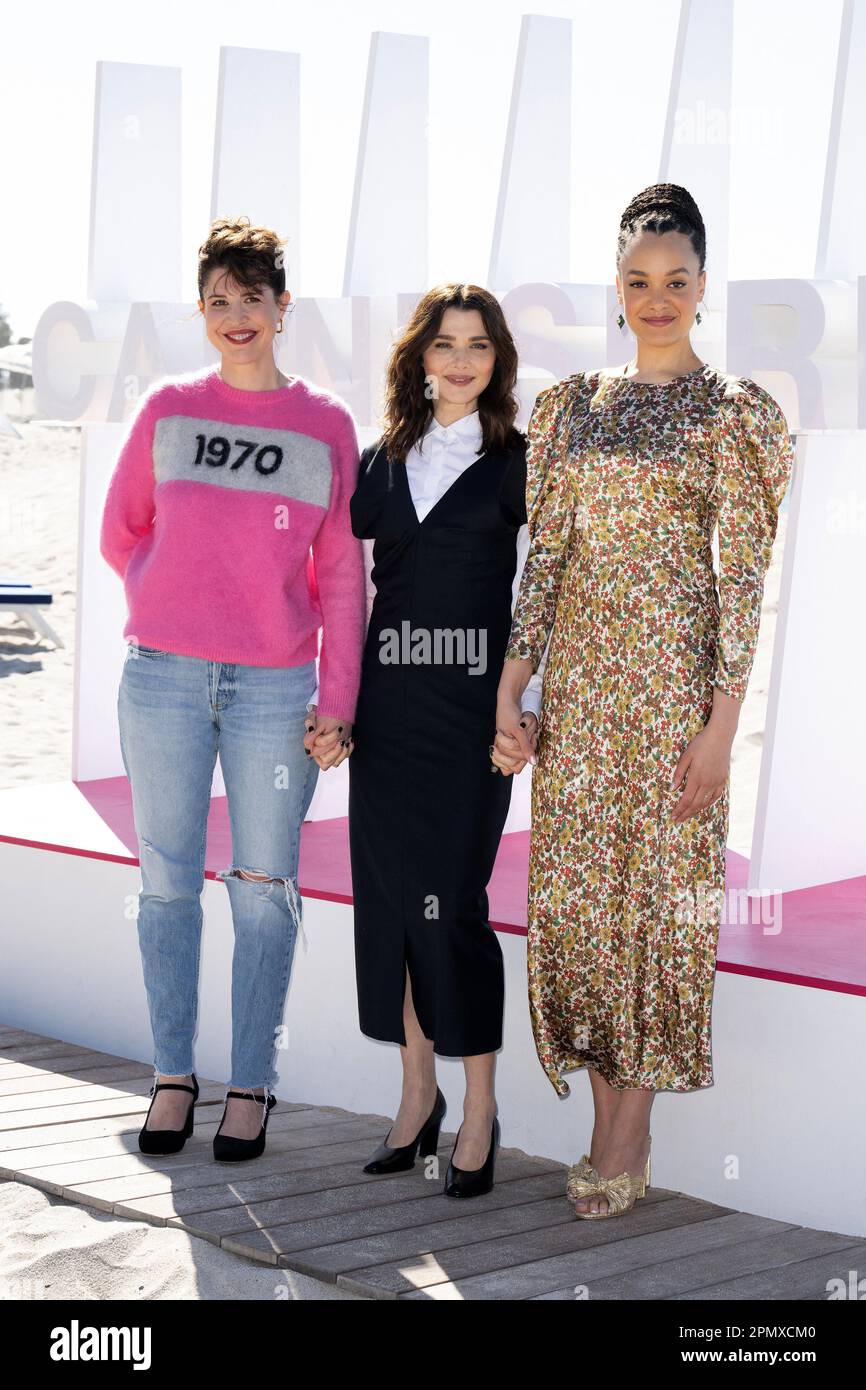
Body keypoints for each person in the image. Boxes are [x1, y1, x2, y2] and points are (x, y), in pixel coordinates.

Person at [494, 184, 795, 1218]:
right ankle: (603, 1120)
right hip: (577, 699)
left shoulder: (731, 415)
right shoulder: (573, 406)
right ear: (614, 288)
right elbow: (546, 561)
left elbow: (741, 587)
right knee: (579, 909)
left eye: (673, 281)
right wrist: (511, 686)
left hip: (671, 701)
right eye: (636, 281)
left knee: (652, 913)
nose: (654, 298)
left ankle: (627, 1133)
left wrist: (720, 732)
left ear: (701, 287)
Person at [100, 216, 365, 1162]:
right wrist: (170, 606)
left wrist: (338, 700)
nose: (235, 315)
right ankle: (175, 1076)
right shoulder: (169, 407)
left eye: (253, 297)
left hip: (274, 689)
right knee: (167, 882)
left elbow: (339, 575)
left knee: (264, 887)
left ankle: (251, 1083)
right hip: (162, 679)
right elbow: (122, 532)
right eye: (218, 300)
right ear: (202, 312)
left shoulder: (327, 424)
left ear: (282, 306)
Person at [318, 284, 544, 1198]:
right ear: (417, 357)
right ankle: (418, 1102)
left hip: (470, 718)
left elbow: (545, 592)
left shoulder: (524, 464)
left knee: (452, 904)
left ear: (498, 361)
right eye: (444, 344)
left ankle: (481, 1110)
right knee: (392, 905)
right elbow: (341, 589)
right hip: (387, 715)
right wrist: (333, 706)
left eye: (477, 346)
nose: (459, 360)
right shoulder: (378, 463)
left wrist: (520, 709)